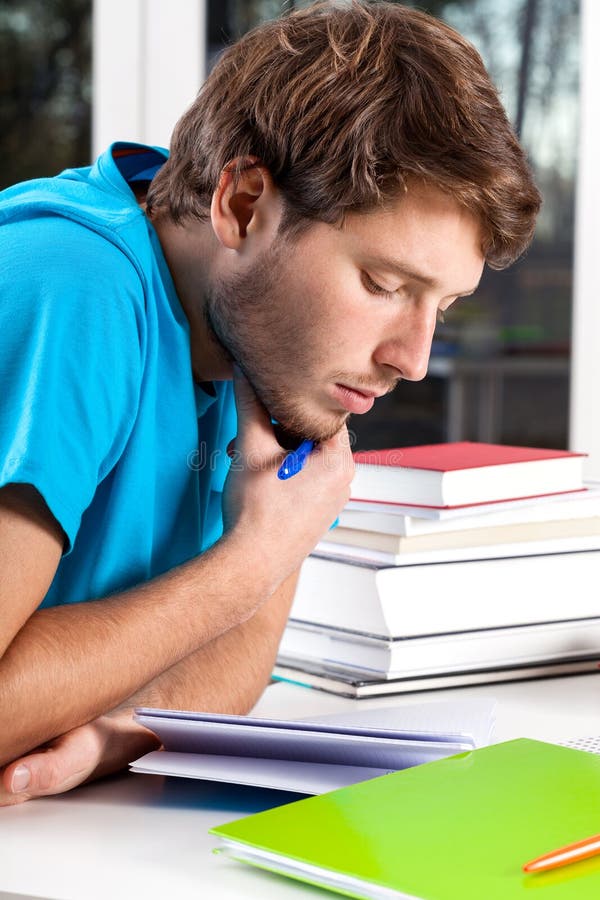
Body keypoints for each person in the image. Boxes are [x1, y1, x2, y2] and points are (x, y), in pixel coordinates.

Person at [0, 0, 540, 805]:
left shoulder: (256, 343)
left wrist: (118, 731)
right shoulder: (75, 285)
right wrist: (254, 558)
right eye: (385, 285)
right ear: (244, 204)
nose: (415, 361)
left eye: (443, 307)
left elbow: (233, 681)